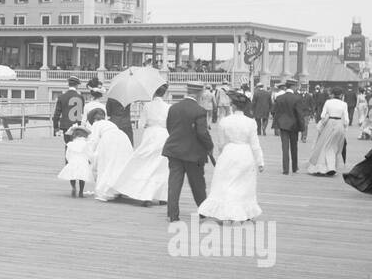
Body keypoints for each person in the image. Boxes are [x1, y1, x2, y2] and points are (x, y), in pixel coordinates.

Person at [197, 91, 264, 222]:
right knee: (244, 184)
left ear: (233, 106)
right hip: (245, 153)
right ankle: (243, 212)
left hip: (229, 152)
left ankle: (225, 211)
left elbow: (221, 143)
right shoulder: (251, 122)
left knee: (226, 183)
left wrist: (222, 154)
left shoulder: (224, 121)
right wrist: (260, 162)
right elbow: (255, 145)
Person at [163, 82, 213, 223]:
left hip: (174, 150)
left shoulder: (173, 107)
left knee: (174, 182)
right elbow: (202, 133)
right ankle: (203, 211)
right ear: (200, 93)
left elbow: (170, 127)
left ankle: (172, 215)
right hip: (194, 152)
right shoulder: (199, 110)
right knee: (197, 183)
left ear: (187, 91)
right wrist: (209, 146)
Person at [112, 85, 171, 205]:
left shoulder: (147, 106)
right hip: (164, 135)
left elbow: (140, 124)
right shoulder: (168, 107)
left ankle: (145, 195)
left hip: (151, 134)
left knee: (146, 164)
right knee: (162, 166)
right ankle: (163, 197)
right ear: (164, 94)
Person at [86, 102, 133, 202]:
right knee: (120, 163)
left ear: (92, 119)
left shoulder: (96, 124)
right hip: (122, 138)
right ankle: (120, 187)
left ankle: (107, 188)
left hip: (109, 139)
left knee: (107, 164)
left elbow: (93, 141)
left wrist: (89, 155)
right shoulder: (110, 123)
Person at [305, 89, 349, 176]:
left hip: (329, 124)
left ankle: (324, 167)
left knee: (324, 146)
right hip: (339, 125)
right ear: (341, 95)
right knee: (334, 147)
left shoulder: (328, 102)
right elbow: (346, 119)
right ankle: (331, 167)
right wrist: (345, 127)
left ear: (332, 94)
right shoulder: (344, 104)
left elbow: (322, 115)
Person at [271, 79, 310, 174]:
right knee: (294, 146)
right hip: (294, 126)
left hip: (283, 125)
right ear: (293, 87)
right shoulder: (297, 98)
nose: (297, 88)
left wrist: (277, 123)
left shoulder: (279, 98)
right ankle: (294, 167)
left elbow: (274, 111)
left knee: (284, 147)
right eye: (296, 86)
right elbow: (299, 114)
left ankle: (285, 169)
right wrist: (302, 127)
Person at [58, 123, 93, 198]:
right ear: (85, 135)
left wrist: (69, 161)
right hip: (82, 162)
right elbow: (89, 153)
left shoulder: (71, 144)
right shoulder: (86, 144)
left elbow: (68, 154)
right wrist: (89, 160)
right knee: (82, 178)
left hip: (73, 161)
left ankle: (73, 187)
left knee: (72, 176)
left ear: (74, 135)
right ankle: (81, 192)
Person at [51, 76, 84, 142]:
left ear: (68, 84)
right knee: (77, 145)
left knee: (68, 144)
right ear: (77, 85)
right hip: (77, 125)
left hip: (66, 125)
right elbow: (82, 112)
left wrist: (56, 127)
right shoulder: (81, 97)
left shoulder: (61, 97)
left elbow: (57, 114)